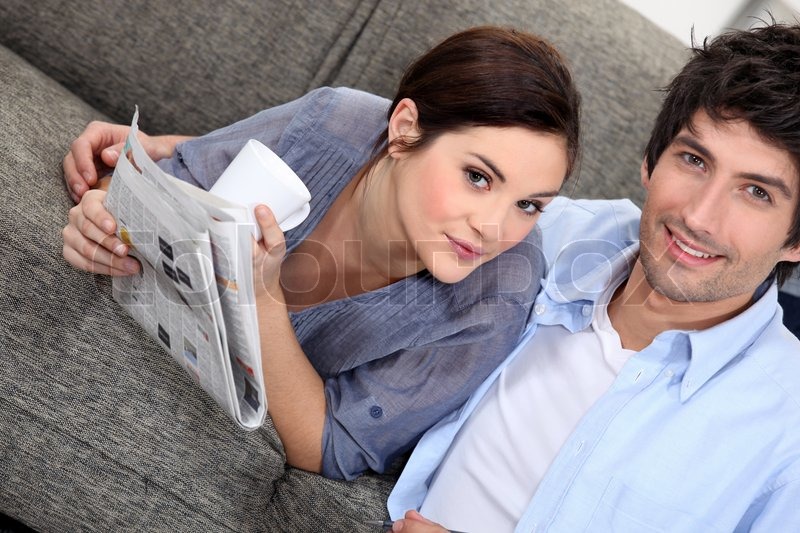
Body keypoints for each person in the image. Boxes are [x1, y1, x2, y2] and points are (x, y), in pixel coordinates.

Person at [60, 26, 581, 480]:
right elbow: (166, 191)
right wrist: (105, 219)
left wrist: (261, 296)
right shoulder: (333, 123)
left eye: (529, 204)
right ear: (403, 130)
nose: (492, 228)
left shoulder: (497, 296)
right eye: (477, 177)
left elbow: (327, 444)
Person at [386, 21, 800, 532]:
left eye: (757, 192)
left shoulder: (787, 434)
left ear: (796, 241)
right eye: (694, 160)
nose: (698, 216)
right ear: (651, 160)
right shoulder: (536, 233)